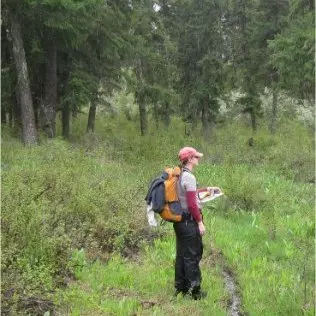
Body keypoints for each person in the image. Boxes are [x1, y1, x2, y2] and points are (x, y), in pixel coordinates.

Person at [174, 146, 218, 300]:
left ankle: (181, 288)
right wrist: (199, 222)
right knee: (192, 255)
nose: (198, 159)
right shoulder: (189, 177)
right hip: (189, 222)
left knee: (182, 254)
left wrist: (206, 190)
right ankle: (195, 292)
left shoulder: (180, 175)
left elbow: (187, 196)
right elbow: (192, 205)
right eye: (196, 157)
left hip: (180, 222)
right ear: (190, 159)